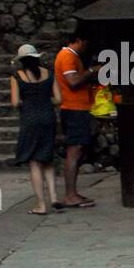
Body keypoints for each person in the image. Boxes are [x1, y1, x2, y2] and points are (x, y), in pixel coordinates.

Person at [52, 32, 103, 208]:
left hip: (78, 107)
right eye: (85, 43)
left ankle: (72, 193)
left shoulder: (72, 57)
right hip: (73, 108)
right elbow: (73, 81)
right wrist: (91, 71)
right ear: (78, 40)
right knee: (74, 150)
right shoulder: (67, 56)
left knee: (78, 149)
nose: (86, 47)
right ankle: (70, 195)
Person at [10, 45, 60, 215]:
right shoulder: (49, 74)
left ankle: (41, 204)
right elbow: (58, 99)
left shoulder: (18, 76)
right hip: (48, 118)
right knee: (47, 158)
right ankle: (54, 198)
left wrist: (29, 103)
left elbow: (15, 102)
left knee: (34, 161)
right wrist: (45, 102)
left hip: (30, 120)